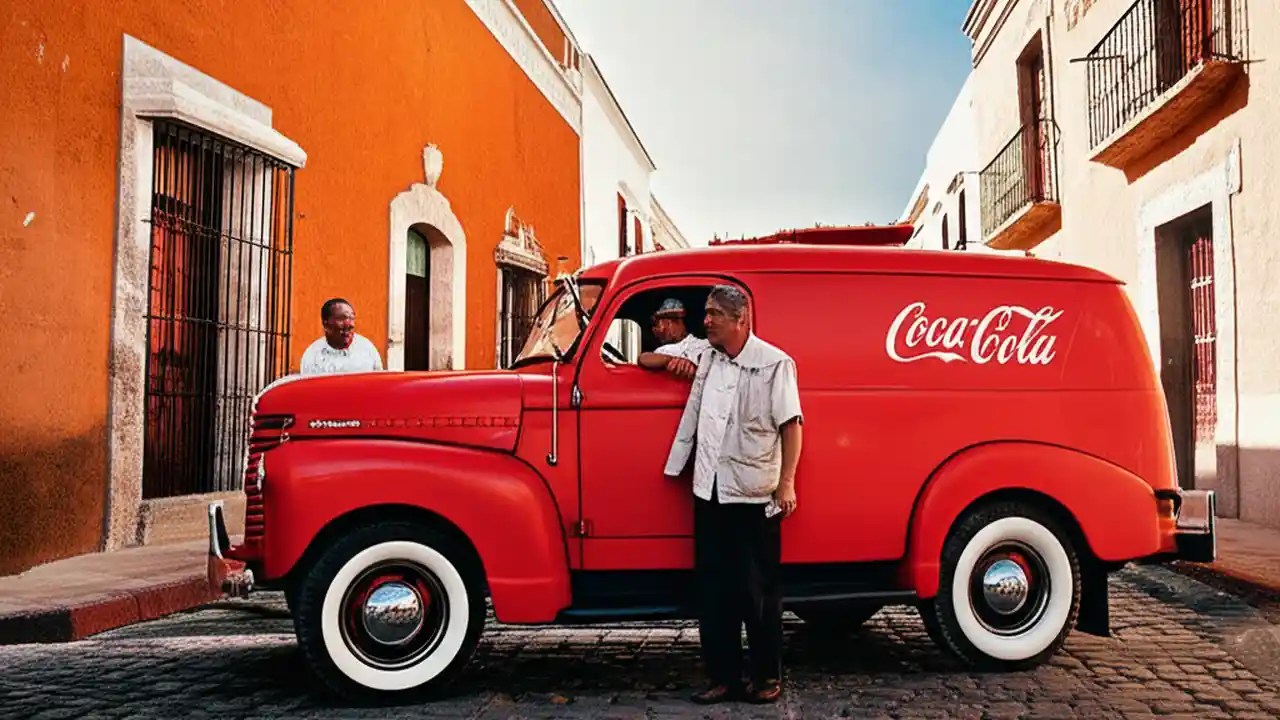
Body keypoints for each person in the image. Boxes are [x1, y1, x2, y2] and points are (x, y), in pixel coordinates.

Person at [662, 284, 803, 705]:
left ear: (740, 319)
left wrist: (788, 482)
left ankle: (766, 678)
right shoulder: (706, 357)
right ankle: (722, 676)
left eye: (713, 314)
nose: (705, 321)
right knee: (714, 589)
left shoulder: (775, 363)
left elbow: (791, 425)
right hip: (710, 488)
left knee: (758, 591)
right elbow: (652, 357)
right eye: (706, 314)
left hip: (754, 491)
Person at [299, 298, 384, 375]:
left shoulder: (367, 349)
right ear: (326, 324)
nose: (350, 324)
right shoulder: (313, 356)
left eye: (352, 318)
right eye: (342, 318)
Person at [637, 298, 711, 379]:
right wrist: (672, 360)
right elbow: (642, 359)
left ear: (668, 323)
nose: (656, 332)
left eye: (658, 325)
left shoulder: (705, 344)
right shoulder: (663, 351)